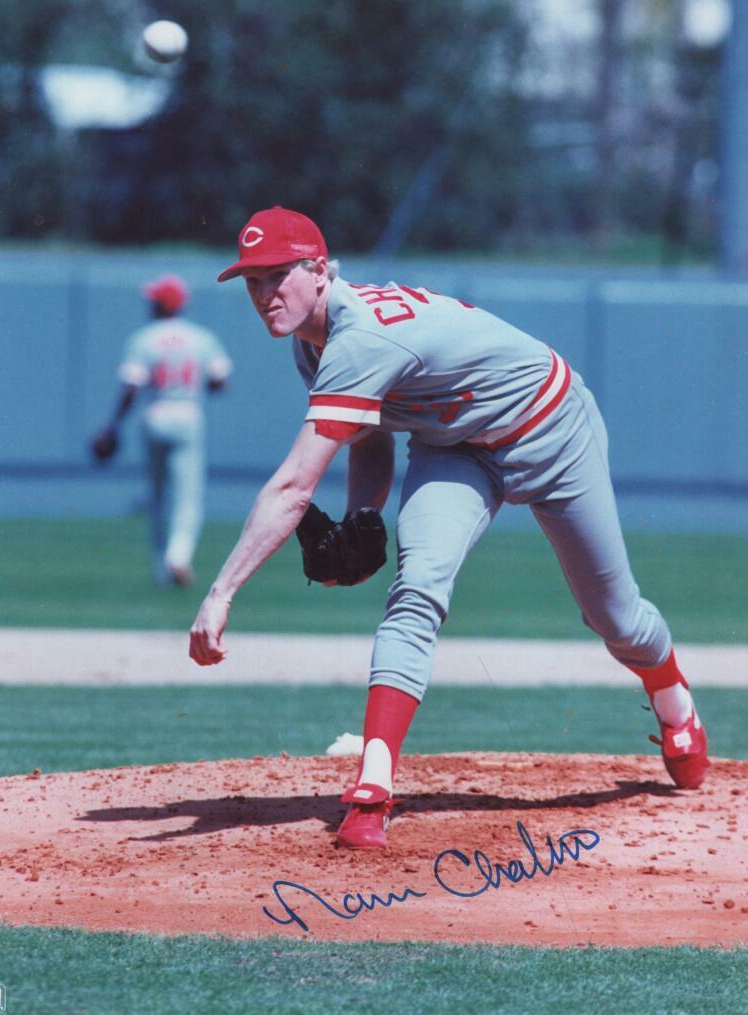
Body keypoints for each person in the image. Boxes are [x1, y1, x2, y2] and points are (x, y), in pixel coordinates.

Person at [188, 206, 709, 849]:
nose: (265, 294)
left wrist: (222, 592)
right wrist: (361, 517)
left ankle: (674, 701)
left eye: (278, 276)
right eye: (253, 281)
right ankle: (372, 790)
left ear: (319, 271)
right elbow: (369, 437)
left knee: (615, 616)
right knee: (417, 587)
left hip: (551, 429)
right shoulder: (312, 345)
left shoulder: (359, 339)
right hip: (456, 449)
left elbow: (294, 486)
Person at [91, 275, 233, 586]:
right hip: (188, 413)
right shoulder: (201, 337)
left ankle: (161, 567)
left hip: (155, 414)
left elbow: (131, 387)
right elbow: (220, 381)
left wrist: (113, 425)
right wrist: (197, 386)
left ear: (159, 305)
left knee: (157, 494)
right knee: (188, 496)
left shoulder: (145, 338)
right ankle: (178, 557)